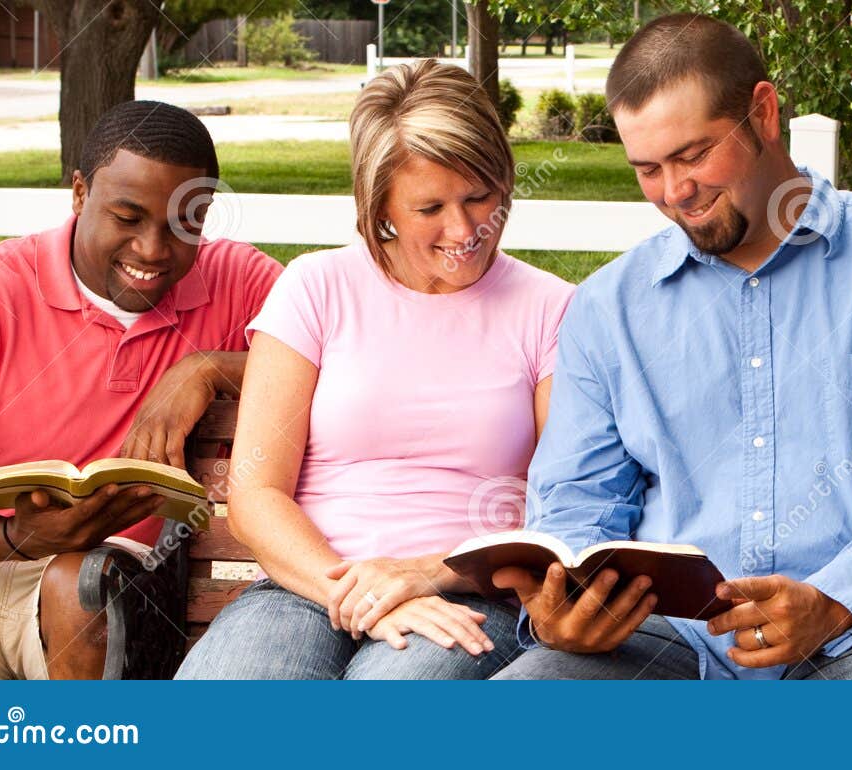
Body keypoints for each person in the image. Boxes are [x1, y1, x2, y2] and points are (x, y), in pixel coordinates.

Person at [489, 14, 852, 680]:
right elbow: (578, 503)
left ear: (763, 113)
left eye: (693, 155)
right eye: (648, 169)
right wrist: (565, 607)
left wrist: (834, 599)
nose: (675, 193)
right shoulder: (608, 307)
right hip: (674, 642)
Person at [0, 101, 283, 680]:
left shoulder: (239, 282)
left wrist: (206, 367)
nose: (153, 250)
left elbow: (351, 367)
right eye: (127, 217)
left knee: (76, 582)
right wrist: (13, 535)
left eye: (184, 223)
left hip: (114, 578)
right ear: (79, 194)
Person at [174, 60, 573, 680]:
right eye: (430, 207)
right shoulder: (316, 287)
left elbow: (560, 508)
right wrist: (364, 597)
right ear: (379, 202)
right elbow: (255, 493)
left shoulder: (551, 309)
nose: (465, 230)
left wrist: (421, 576)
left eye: (480, 197)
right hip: (303, 586)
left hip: (467, 594)